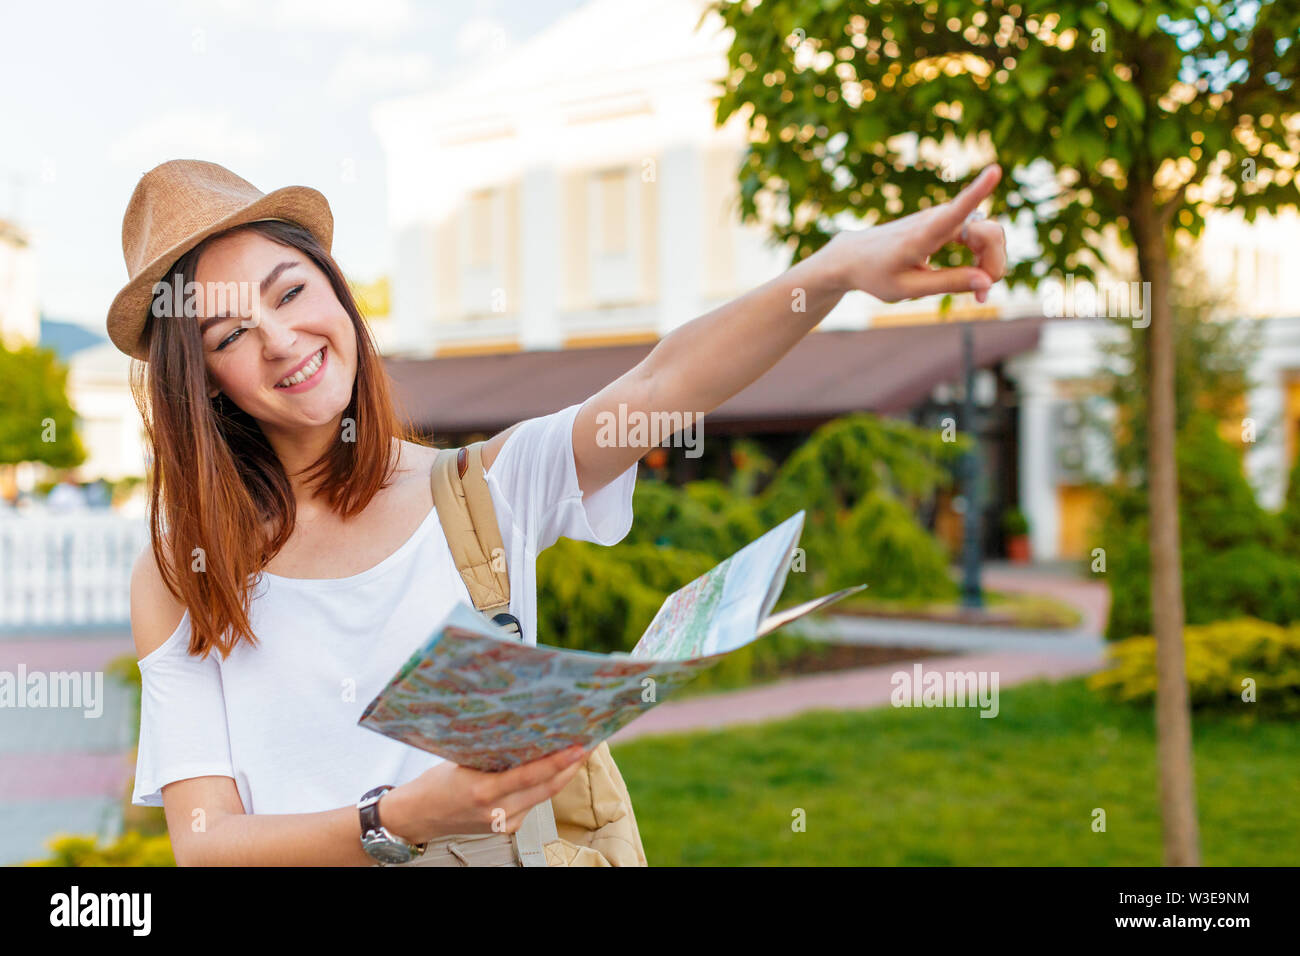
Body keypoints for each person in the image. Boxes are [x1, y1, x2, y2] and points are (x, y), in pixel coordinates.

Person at [109, 159, 1005, 866]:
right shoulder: (184, 571)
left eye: (290, 291)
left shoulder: (482, 488)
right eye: (229, 335)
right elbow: (206, 843)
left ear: (335, 291)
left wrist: (840, 267)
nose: (281, 341)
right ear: (204, 384)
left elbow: (663, 381)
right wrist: (398, 820)